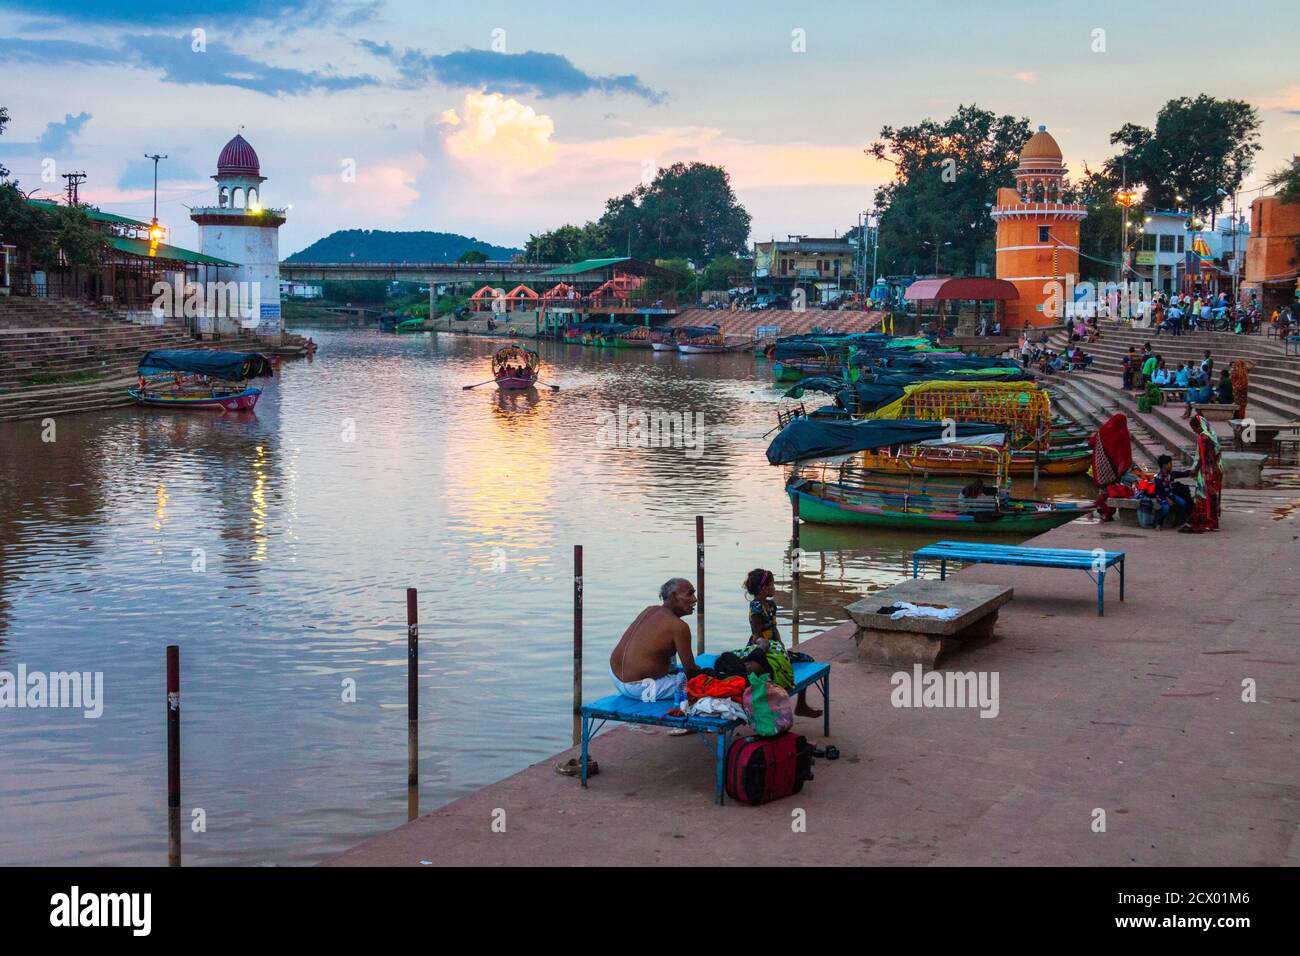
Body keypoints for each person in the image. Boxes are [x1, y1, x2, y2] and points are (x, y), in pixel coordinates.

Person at [731, 569, 820, 718]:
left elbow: (774, 628)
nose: (774, 588)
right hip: (761, 649)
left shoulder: (771, 605)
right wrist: (768, 648)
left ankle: (801, 705)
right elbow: (756, 636)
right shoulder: (756, 608)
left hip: (774, 647)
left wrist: (781, 647)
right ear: (764, 588)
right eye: (772, 585)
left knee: (807, 659)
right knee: (772, 672)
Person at [608, 578, 699, 700]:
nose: (695, 599)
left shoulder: (649, 610)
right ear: (673, 597)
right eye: (690, 594)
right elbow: (691, 671)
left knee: (667, 651)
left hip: (615, 678)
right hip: (640, 688)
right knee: (696, 684)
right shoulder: (679, 627)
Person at [1181, 414, 1223, 533]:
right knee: (1212, 495)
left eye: (1195, 429)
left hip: (1207, 472)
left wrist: (1195, 470)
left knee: (1204, 495)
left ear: (1198, 426)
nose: (1194, 431)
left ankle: (1207, 521)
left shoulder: (1203, 438)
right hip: (1215, 471)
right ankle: (1213, 522)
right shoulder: (1212, 435)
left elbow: (1203, 457)